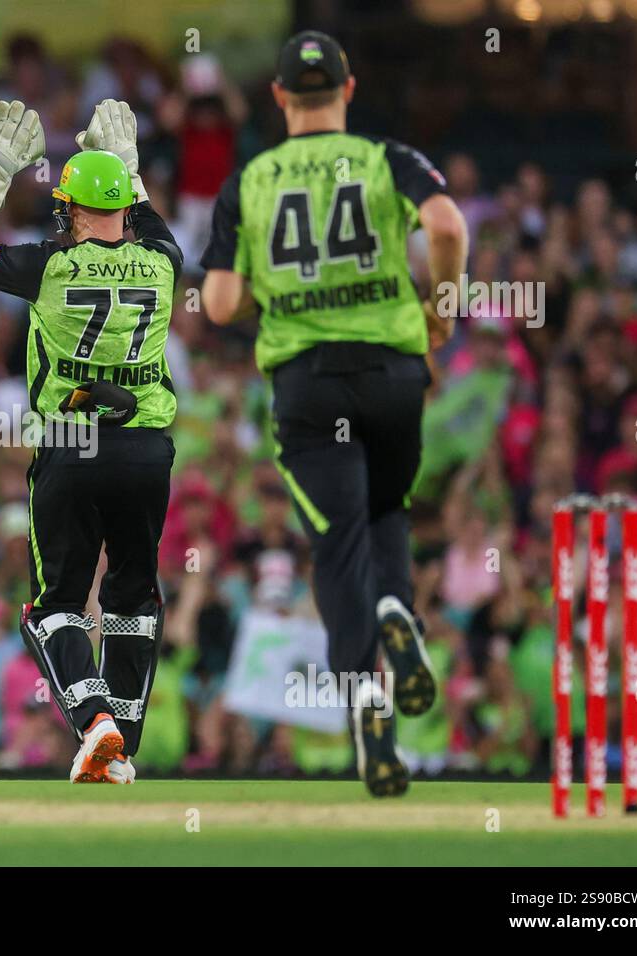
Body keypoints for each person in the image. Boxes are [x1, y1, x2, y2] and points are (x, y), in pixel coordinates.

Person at [201, 31, 468, 797]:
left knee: (338, 540)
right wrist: (442, 308)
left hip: (308, 383)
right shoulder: (389, 159)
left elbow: (219, 302)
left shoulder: (250, 179)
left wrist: (274, 292)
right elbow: (448, 226)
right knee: (386, 510)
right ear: (348, 92)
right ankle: (398, 612)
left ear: (279, 97)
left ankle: (367, 698)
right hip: (392, 372)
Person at [0, 100, 181, 783]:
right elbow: (152, 226)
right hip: (147, 451)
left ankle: (96, 722)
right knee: (135, 595)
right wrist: (130, 172)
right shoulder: (164, 263)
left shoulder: (47, 265)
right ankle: (121, 749)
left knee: (55, 607)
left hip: (73, 446)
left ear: (70, 211)